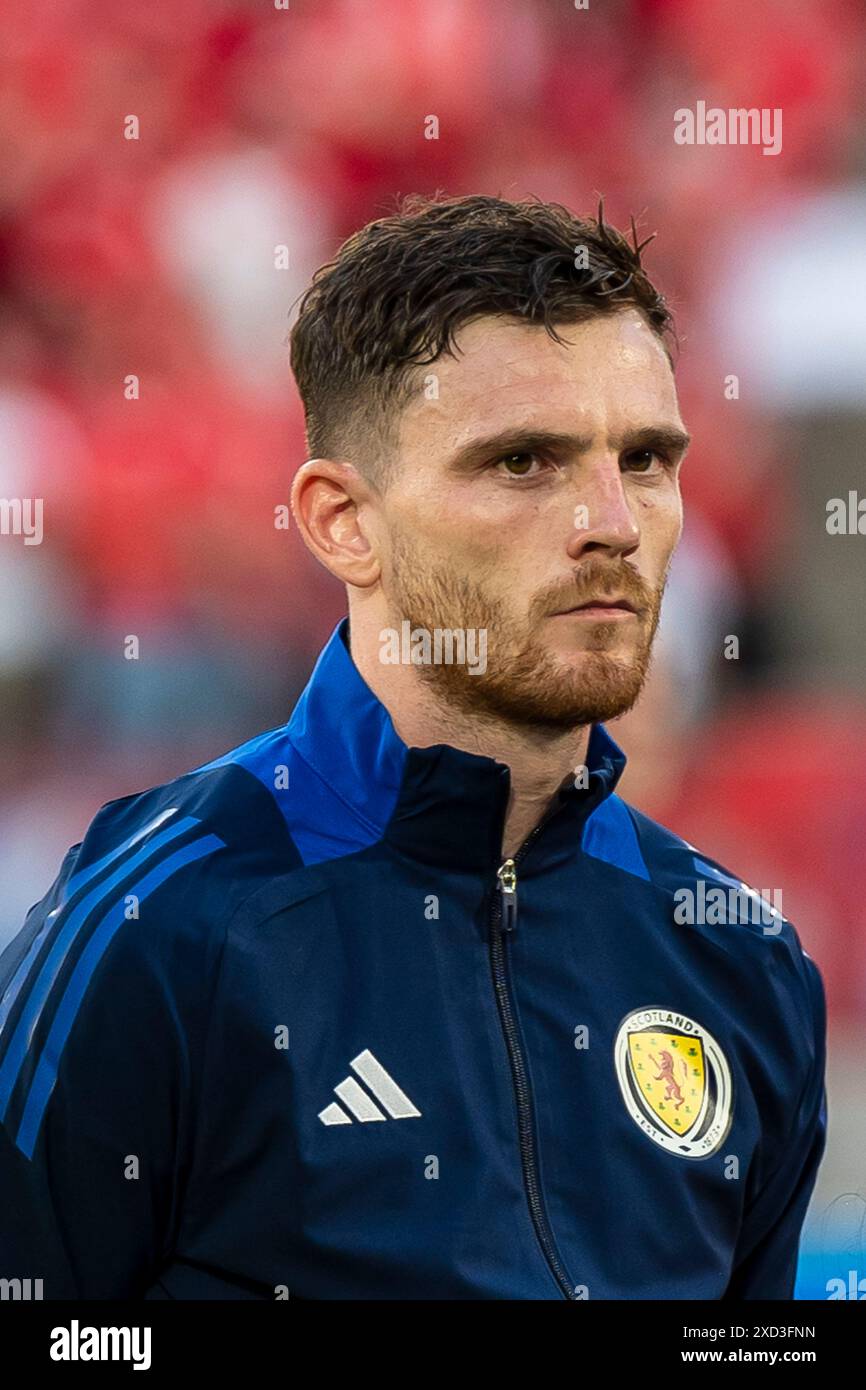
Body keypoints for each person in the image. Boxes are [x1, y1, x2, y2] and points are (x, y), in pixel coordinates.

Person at [0, 195, 826, 1299]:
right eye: (523, 461)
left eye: (642, 458)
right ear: (344, 520)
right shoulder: (160, 926)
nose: (612, 522)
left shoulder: (739, 963)